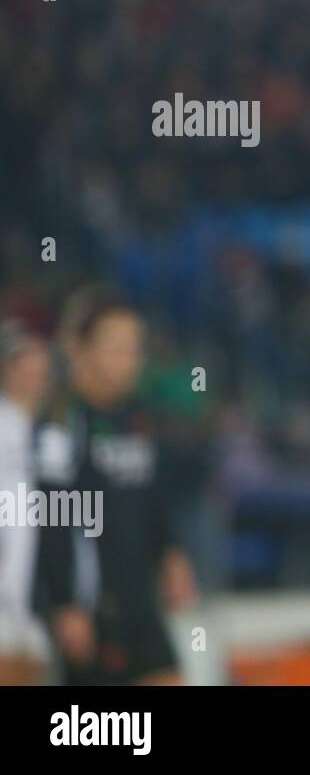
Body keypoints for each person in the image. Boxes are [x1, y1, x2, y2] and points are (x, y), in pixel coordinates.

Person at [33, 289, 198, 685]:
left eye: (136, 348)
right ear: (82, 350)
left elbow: (152, 496)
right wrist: (65, 603)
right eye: (117, 347)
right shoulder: (62, 421)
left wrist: (171, 552)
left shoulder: (137, 417)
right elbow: (53, 515)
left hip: (140, 600)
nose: (131, 359)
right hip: (92, 607)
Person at [0, 322, 54, 685]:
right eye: (25, 366)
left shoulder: (52, 437)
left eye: (42, 369)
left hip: (34, 591)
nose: (35, 376)